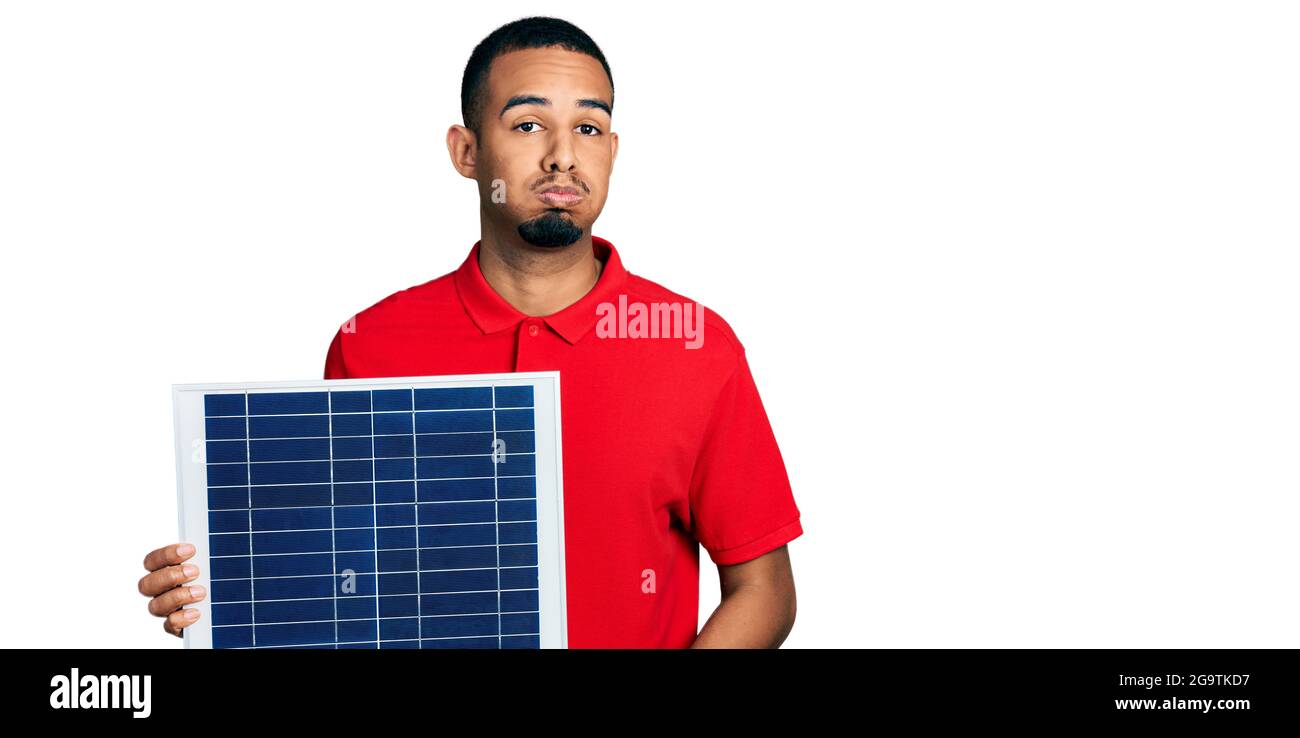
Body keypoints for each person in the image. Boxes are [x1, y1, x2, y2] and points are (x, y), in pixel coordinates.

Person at [138, 16, 802, 648]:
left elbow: (763, 587)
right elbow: (343, 575)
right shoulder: (370, 345)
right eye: (529, 123)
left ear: (614, 151)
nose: (563, 156)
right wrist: (223, 598)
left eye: (590, 129)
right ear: (466, 151)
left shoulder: (692, 344)